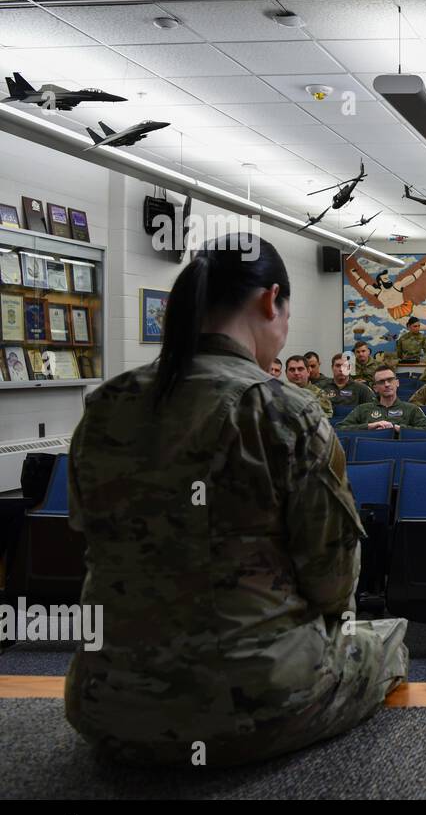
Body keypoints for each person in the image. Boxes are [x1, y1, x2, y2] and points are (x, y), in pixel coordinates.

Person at [65, 235, 408, 767]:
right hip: (254, 706)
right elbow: (332, 581)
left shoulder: (106, 403)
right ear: (271, 301)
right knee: (387, 637)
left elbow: (90, 541)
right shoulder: (282, 410)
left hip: (106, 703)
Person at [338, 367, 426, 430]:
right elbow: (340, 428)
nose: (387, 384)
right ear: (375, 388)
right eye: (381, 382)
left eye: (390, 380)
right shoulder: (362, 409)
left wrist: (397, 428)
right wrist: (370, 426)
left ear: (397, 383)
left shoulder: (412, 409)